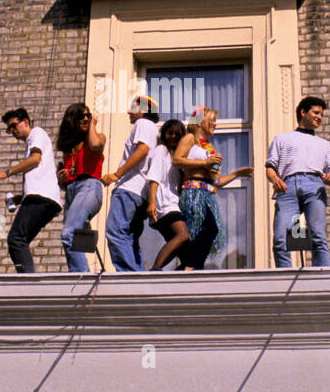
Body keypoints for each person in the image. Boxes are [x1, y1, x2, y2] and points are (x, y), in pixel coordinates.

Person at [174, 107, 253, 270]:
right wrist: (205, 163)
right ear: (201, 121)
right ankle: (189, 266)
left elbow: (216, 181)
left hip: (207, 193)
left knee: (206, 232)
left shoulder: (208, 147)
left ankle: (193, 267)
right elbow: (177, 160)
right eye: (212, 120)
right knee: (209, 228)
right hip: (193, 193)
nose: (215, 124)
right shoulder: (190, 138)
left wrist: (236, 174)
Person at [266, 96, 330, 267]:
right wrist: (275, 179)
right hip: (287, 187)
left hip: (314, 187)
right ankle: (286, 279)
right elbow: (270, 167)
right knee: (281, 239)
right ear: (303, 112)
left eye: (321, 114)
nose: (319, 117)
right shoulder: (282, 138)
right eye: (316, 112)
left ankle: (322, 282)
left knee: (317, 236)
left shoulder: (324, 144)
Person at [0, 108, 63, 273]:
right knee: (21, 241)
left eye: (14, 126)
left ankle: (27, 280)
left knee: (16, 239)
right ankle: (27, 277)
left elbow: (35, 159)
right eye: (9, 129)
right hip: (45, 199)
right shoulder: (32, 142)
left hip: (41, 198)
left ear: (26, 122)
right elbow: (41, 176)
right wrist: (20, 198)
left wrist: (5, 173)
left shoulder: (37, 133)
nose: (12, 131)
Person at [101, 95, 159, 271]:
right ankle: (138, 276)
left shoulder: (143, 124)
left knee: (115, 231)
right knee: (129, 237)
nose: (128, 112)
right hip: (140, 192)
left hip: (129, 189)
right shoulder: (154, 130)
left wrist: (117, 175)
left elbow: (142, 150)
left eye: (133, 108)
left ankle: (129, 275)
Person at [55, 103, 106, 273]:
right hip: (72, 191)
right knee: (75, 238)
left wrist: (92, 124)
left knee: (68, 234)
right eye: (81, 116)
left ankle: (81, 277)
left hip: (89, 187)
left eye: (88, 115)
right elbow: (65, 182)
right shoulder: (69, 149)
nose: (85, 118)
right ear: (72, 120)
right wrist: (62, 179)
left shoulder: (98, 137)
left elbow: (95, 146)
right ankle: (77, 273)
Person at [146, 119, 189, 271]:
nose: (173, 137)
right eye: (170, 133)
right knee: (183, 235)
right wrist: (152, 203)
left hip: (173, 204)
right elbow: (154, 177)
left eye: (177, 134)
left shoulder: (176, 157)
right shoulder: (161, 151)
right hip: (164, 205)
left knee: (185, 252)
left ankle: (178, 276)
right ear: (164, 134)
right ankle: (155, 270)